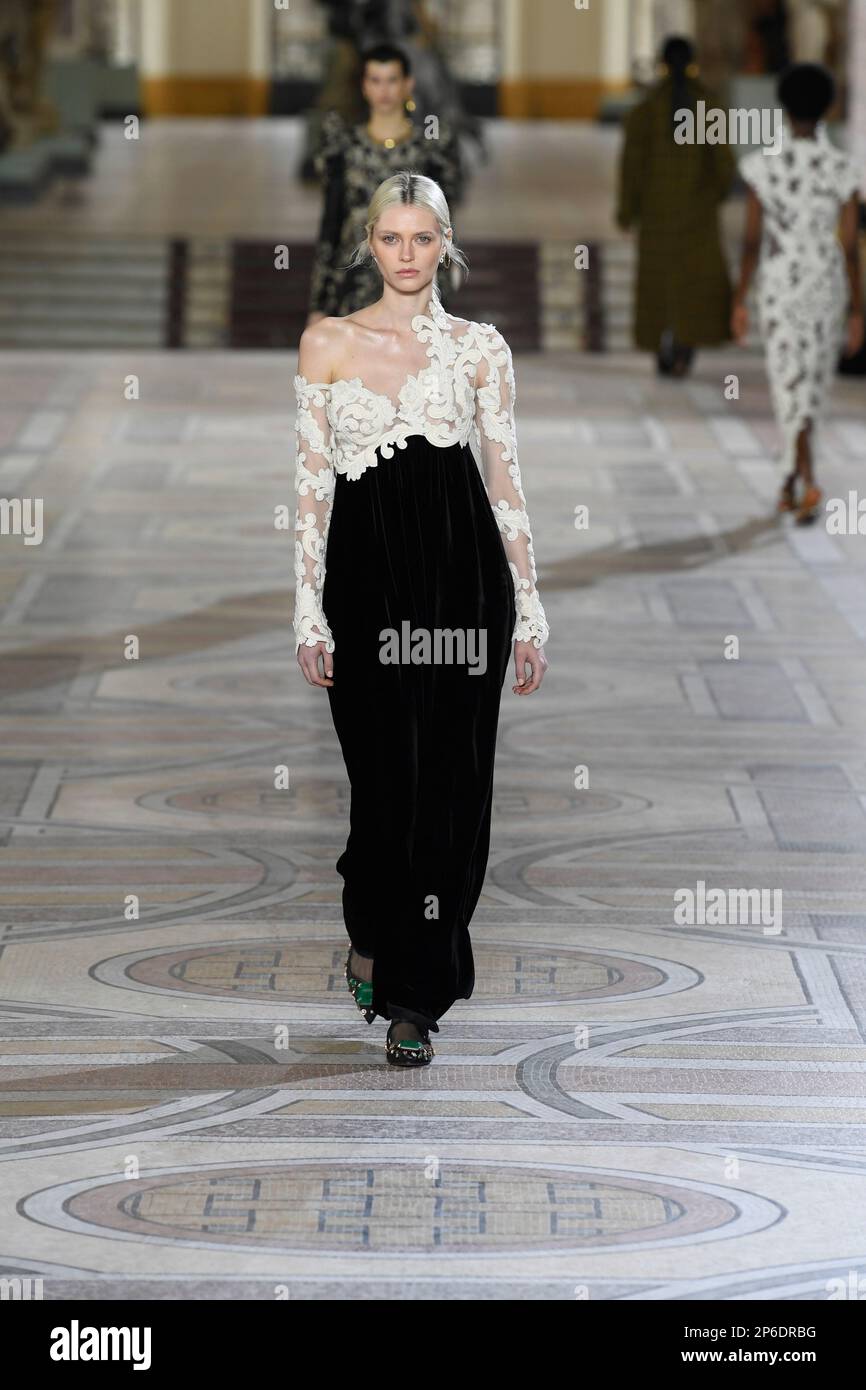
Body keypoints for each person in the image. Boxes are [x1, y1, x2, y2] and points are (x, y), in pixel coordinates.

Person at [293, 171, 549, 1066]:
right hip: (366, 590)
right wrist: (308, 610)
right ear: (369, 243)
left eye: (424, 238)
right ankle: (371, 926)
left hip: (461, 587)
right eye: (392, 238)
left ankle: (416, 996)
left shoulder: (481, 348)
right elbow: (311, 486)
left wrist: (529, 609)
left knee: (450, 787)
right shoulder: (327, 342)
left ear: (447, 244)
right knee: (382, 787)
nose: (407, 255)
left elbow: (505, 478)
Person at [732, 63, 863, 523]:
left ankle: (800, 478)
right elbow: (850, 247)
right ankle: (799, 477)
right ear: (828, 107)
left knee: (789, 382)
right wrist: (858, 310)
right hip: (826, 283)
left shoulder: (761, 167)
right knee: (812, 385)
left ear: (783, 107)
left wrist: (739, 297)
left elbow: (752, 241)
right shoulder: (843, 169)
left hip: (781, 285)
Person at [307, 42, 463, 324]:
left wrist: (447, 276)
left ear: (407, 84)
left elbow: (444, 218)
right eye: (375, 80)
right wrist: (319, 301)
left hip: (416, 278)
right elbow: (331, 222)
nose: (384, 90)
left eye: (392, 80)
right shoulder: (343, 147)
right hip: (353, 277)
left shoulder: (432, 148)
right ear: (364, 86)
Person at [616, 35, 736, 377]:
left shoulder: (645, 110)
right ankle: (686, 346)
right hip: (698, 215)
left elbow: (631, 167)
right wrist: (713, 196)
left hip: (656, 215)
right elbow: (724, 165)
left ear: (662, 65)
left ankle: (661, 346)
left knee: (658, 283)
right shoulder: (709, 107)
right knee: (693, 283)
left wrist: (627, 211)